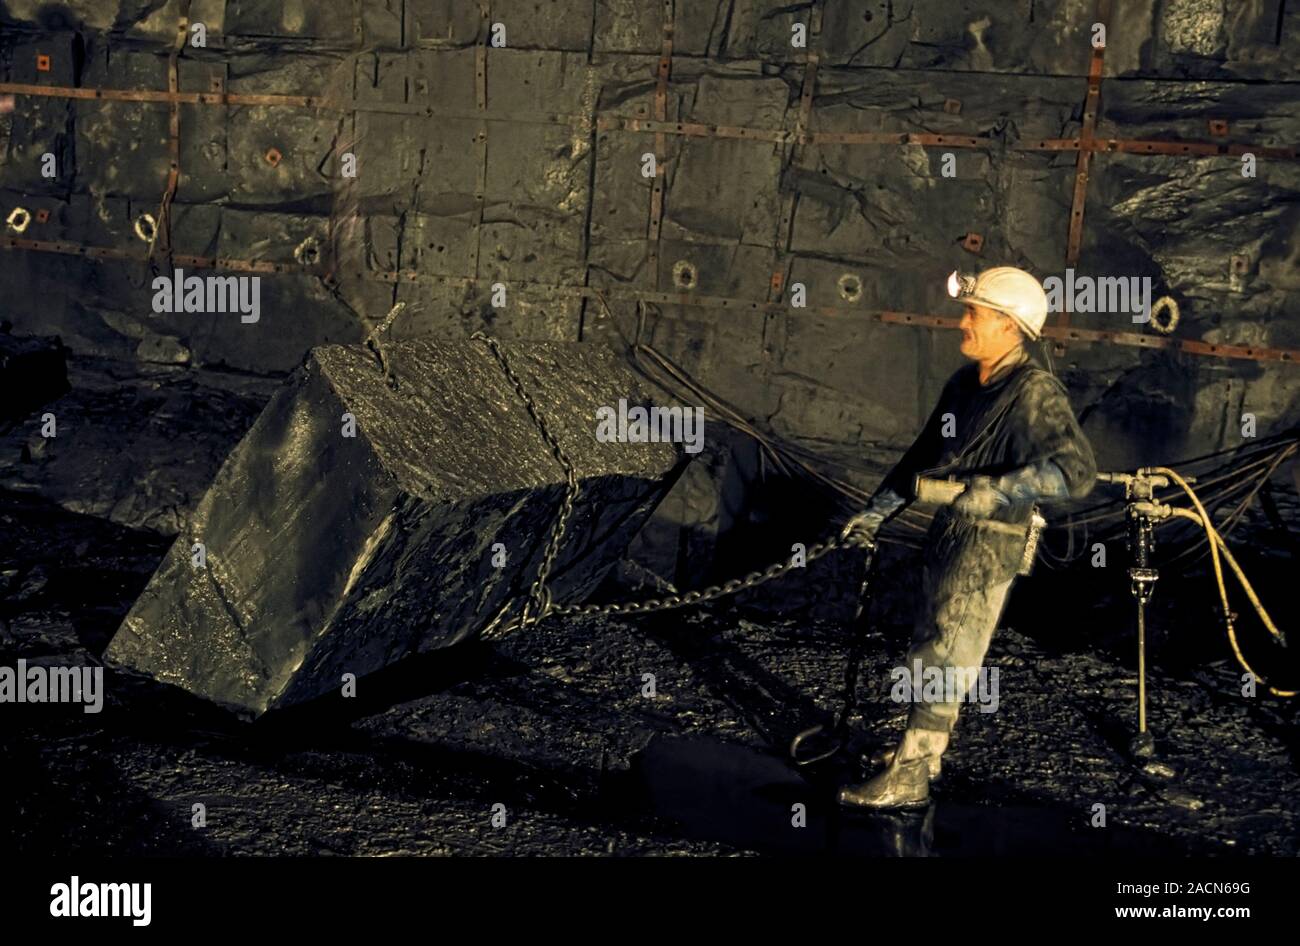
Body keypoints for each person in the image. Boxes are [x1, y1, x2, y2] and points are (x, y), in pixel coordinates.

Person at [837, 266, 1097, 809]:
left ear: (1009, 326)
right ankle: (922, 753)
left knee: (947, 652)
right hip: (950, 530)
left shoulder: (1033, 392)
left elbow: (1076, 473)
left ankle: (910, 776)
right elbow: (922, 457)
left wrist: (1002, 489)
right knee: (930, 642)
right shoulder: (964, 385)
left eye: (975, 313)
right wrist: (876, 513)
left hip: (991, 541)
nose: (963, 323)